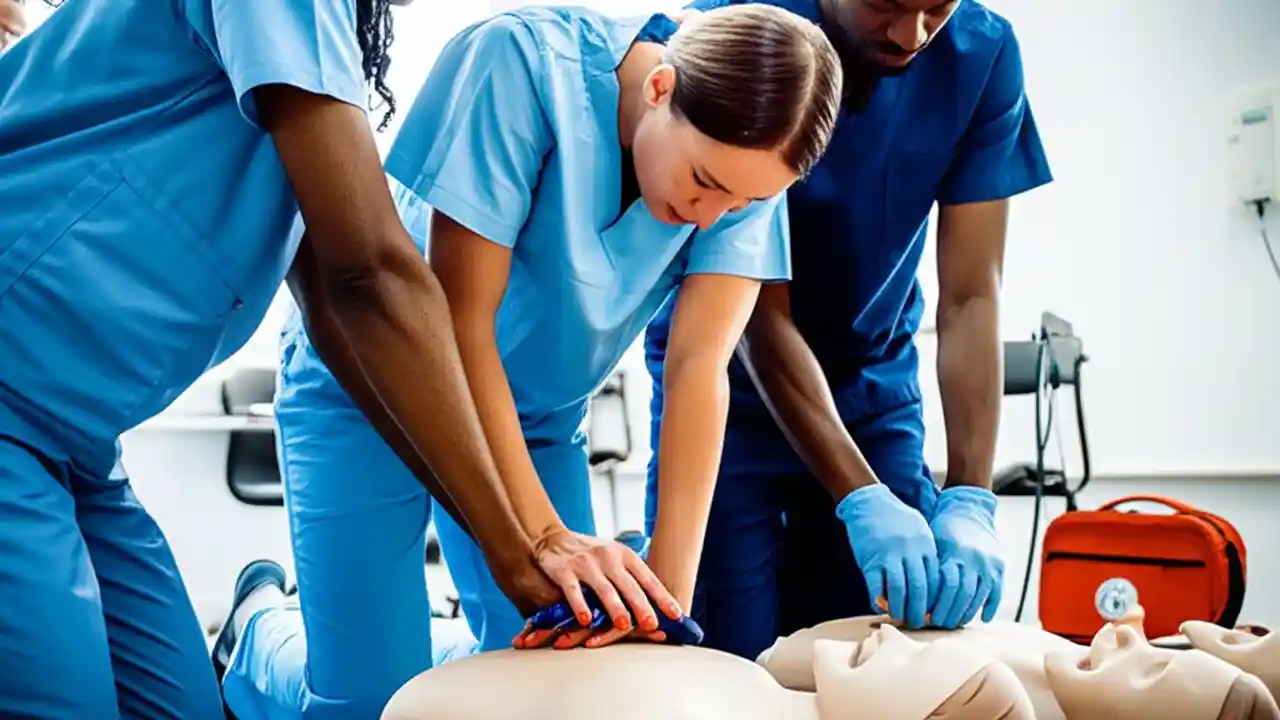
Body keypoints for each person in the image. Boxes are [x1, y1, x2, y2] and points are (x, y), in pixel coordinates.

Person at [215, 5, 842, 719]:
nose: (710, 216)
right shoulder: (522, 63)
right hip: (378, 392)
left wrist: (666, 609)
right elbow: (464, 325)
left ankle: (433, 652)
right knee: (368, 702)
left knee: (568, 681)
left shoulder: (746, 169)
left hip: (539, 419)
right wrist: (542, 539)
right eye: (703, 181)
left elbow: (698, 368)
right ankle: (256, 635)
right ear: (660, 88)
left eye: (742, 203)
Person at [0, 0, 588, 716]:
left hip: (79, 438)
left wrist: (513, 537)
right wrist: (521, 547)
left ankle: (250, 632)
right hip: (13, 395)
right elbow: (371, 275)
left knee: (179, 705)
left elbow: (336, 310)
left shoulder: (317, 50)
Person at [642, 0, 1053, 661]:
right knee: (725, 656)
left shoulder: (983, 55)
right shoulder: (745, 29)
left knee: (884, 652)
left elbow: (972, 296)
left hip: (873, 392)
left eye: (937, 8)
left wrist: (970, 494)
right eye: (886, 4)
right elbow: (753, 312)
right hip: (726, 395)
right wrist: (860, 495)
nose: (912, 34)